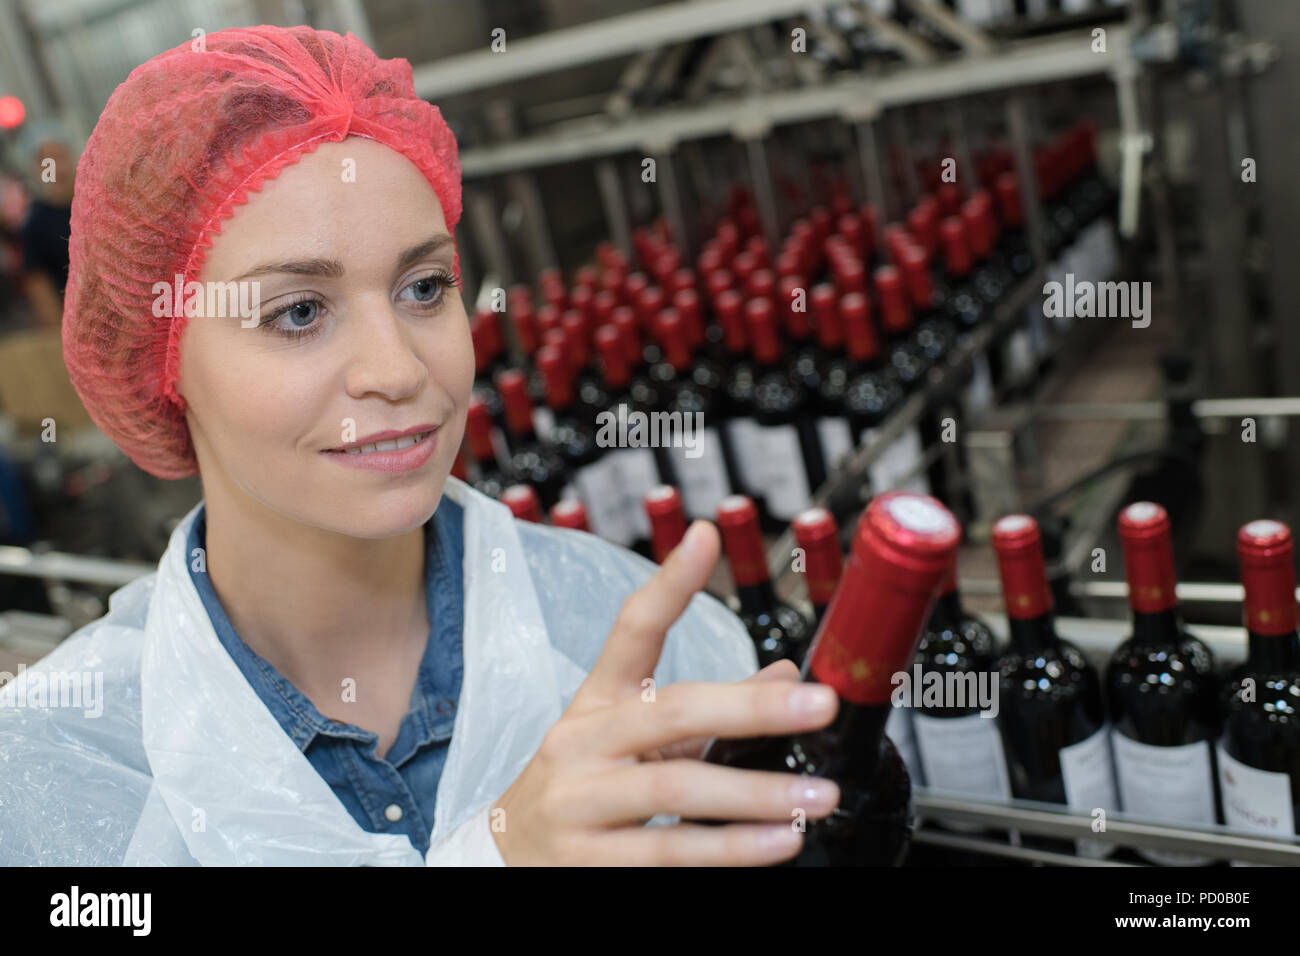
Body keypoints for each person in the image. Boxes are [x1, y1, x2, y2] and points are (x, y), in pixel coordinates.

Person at [0, 25, 841, 866]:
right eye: (298, 311)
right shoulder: (59, 765)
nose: (398, 369)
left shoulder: (642, 641)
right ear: (159, 361)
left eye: (424, 288)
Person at [19, 132, 75, 328]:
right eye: (47, 162)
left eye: (60, 157)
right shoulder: (35, 224)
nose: (57, 168)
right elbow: (39, 284)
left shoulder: (98, 203)